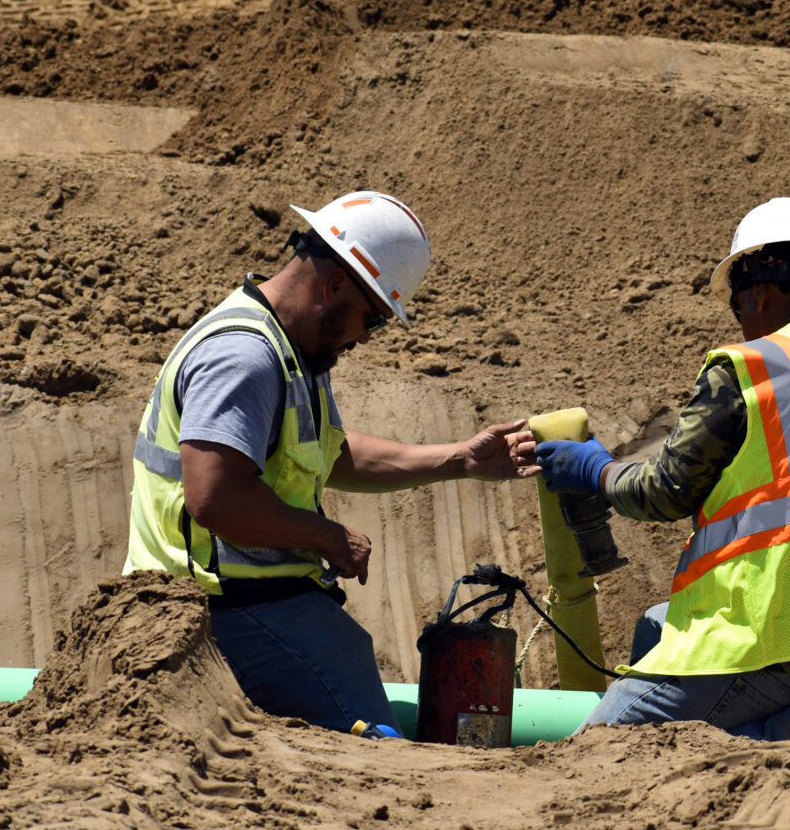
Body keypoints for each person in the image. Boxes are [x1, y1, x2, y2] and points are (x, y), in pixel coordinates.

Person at [532, 197, 790, 740]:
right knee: (655, 625)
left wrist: (596, 470)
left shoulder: (755, 368)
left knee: (600, 749)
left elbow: (666, 490)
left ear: (762, 291)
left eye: (737, 303)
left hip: (773, 634)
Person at [124, 191, 534, 735]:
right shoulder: (245, 356)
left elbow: (329, 453)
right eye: (373, 318)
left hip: (247, 601)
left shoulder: (292, 348)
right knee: (371, 750)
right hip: (224, 610)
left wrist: (460, 458)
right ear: (336, 284)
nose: (366, 336)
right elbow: (214, 498)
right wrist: (326, 536)